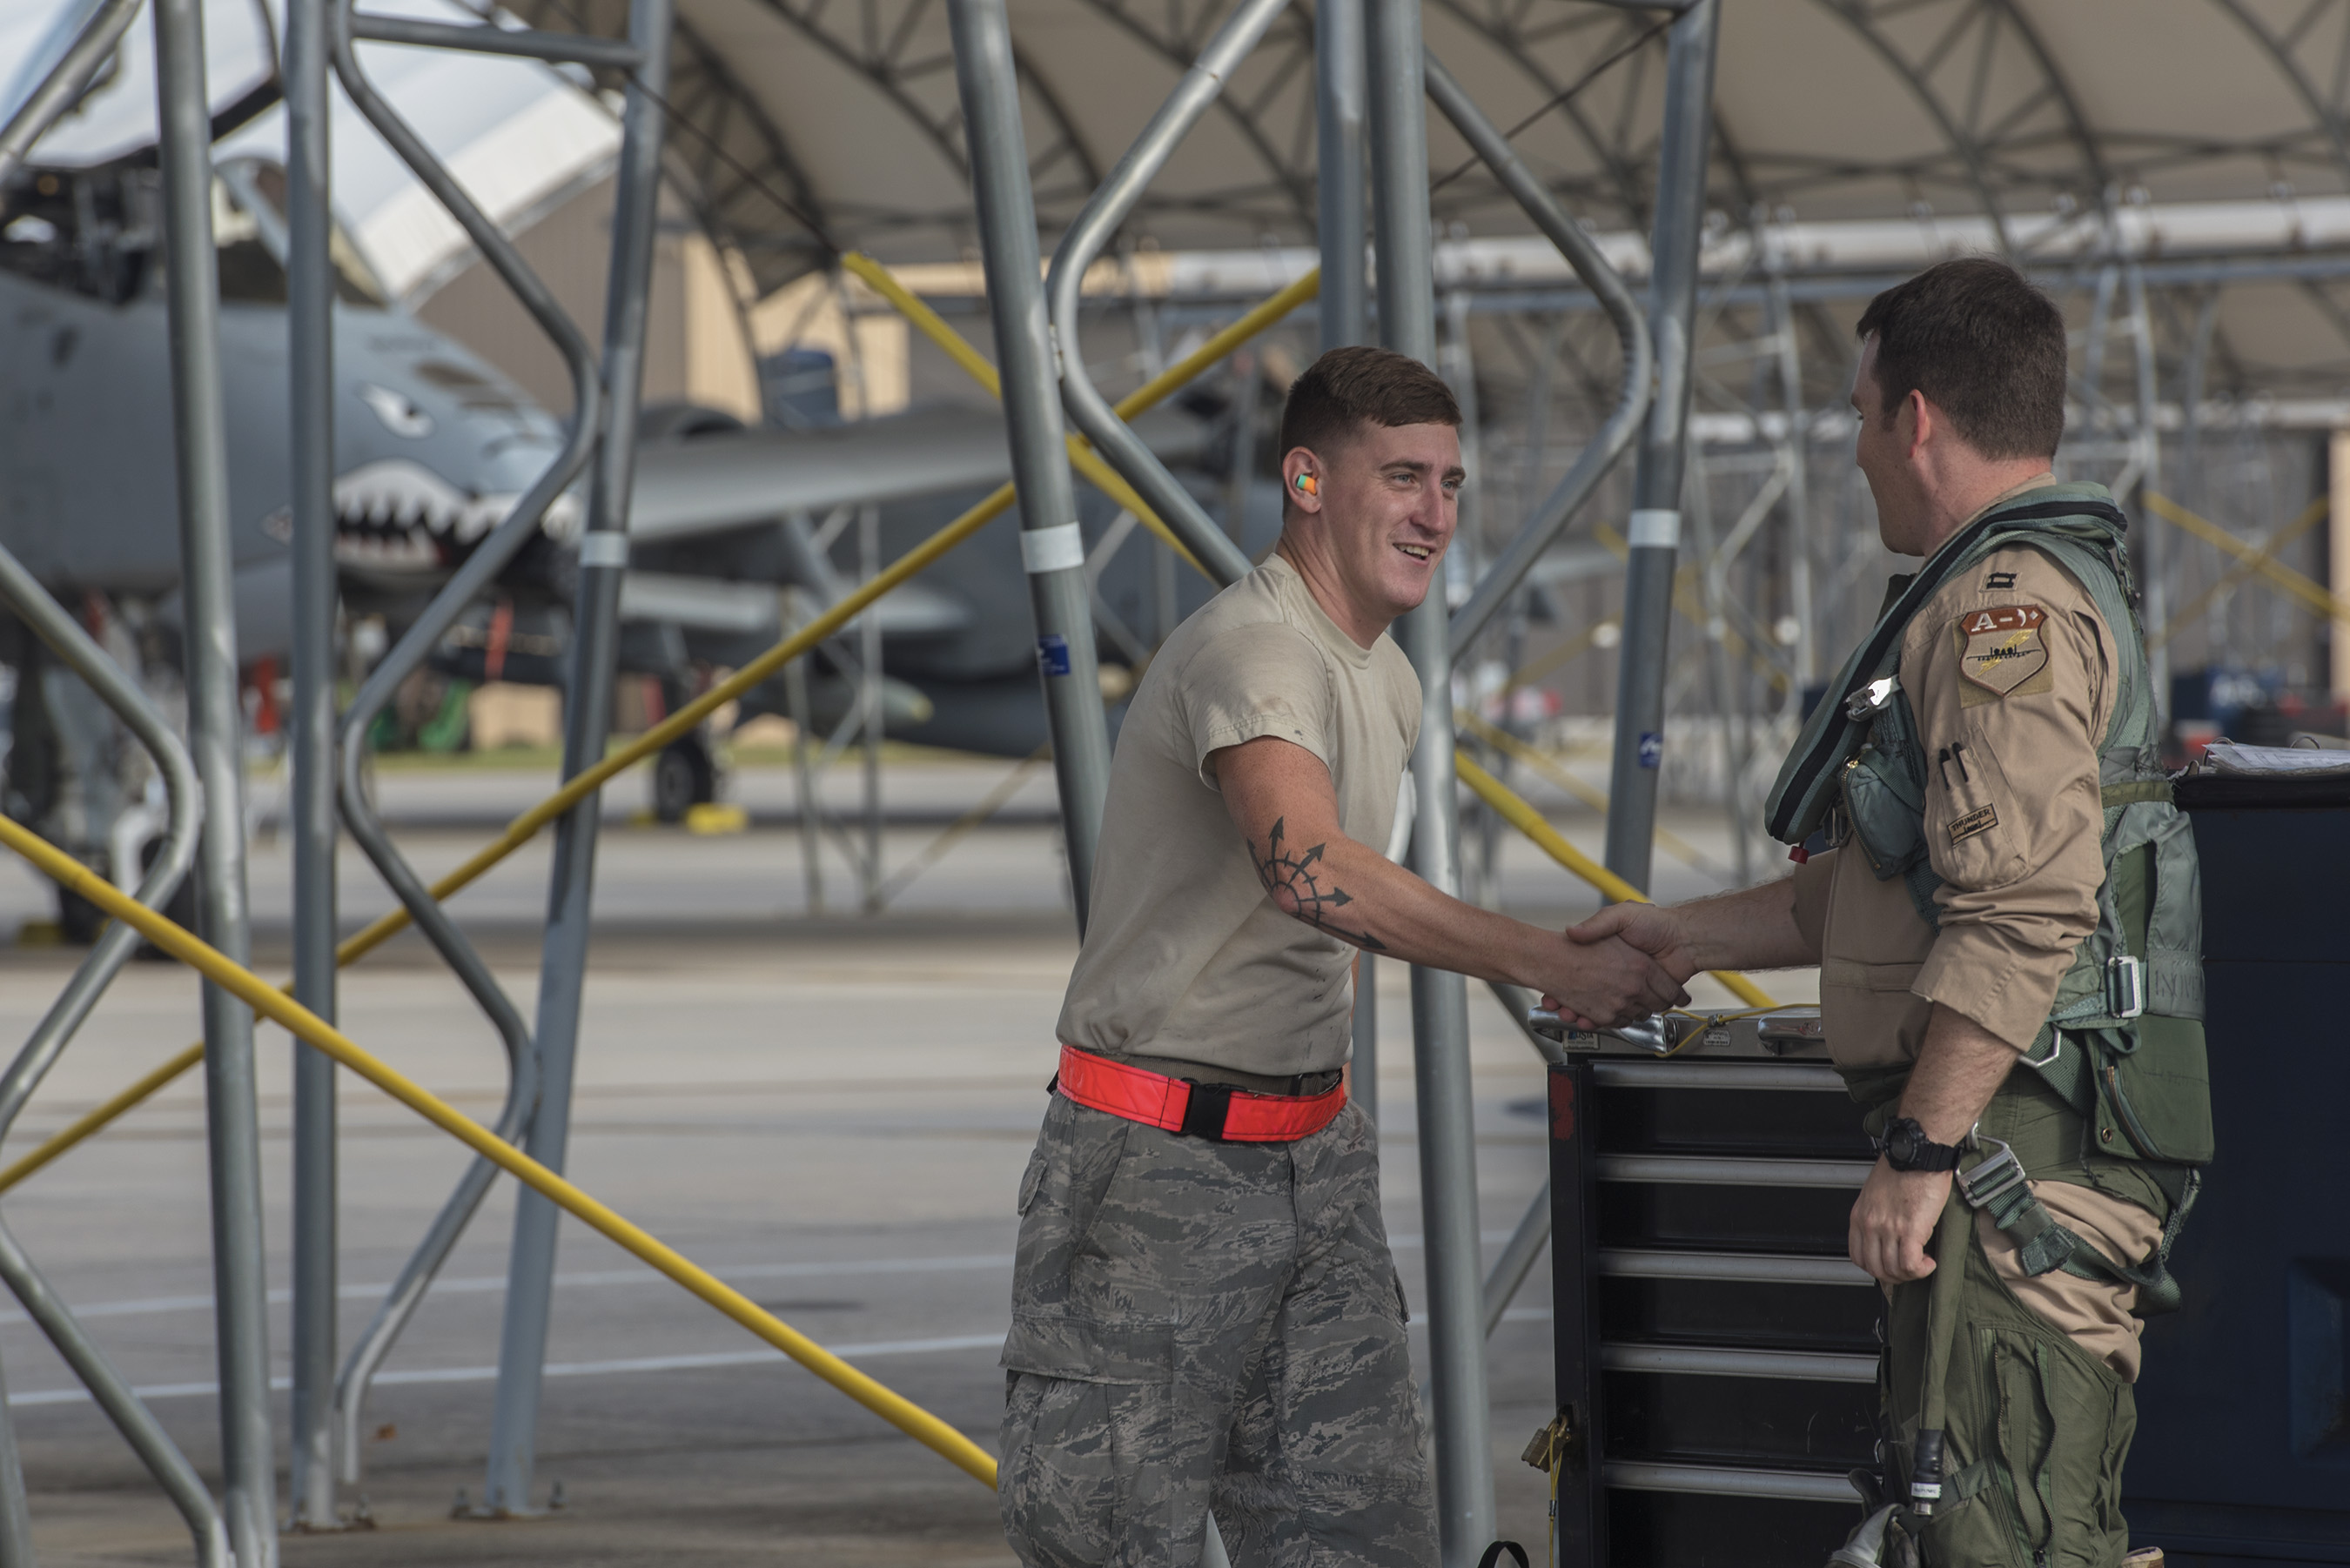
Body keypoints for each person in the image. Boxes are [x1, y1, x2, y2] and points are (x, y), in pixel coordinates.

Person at [1567, 258, 2211, 1568]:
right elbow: (1897, 879)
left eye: (1860, 414)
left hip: (2018, 1151)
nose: (1856, 448)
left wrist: (1921, 1154)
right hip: (2019, 1134)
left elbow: (2025, 907)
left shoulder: (1999, 610)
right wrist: (1684, 933)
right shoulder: (2006, 590)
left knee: (2005, 1536)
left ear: (1916, 419)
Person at [997, 345, 1687, 1567]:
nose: (1436, 513)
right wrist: (1551, 960)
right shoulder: (1259, 650)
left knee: (1358, 1540)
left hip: (1312, 1165)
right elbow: (1309, 867)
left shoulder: (1388, 676)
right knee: (1111, 1543)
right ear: (1307, 480)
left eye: (1454, 483)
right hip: (1157, 1173)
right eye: (1404, 476)